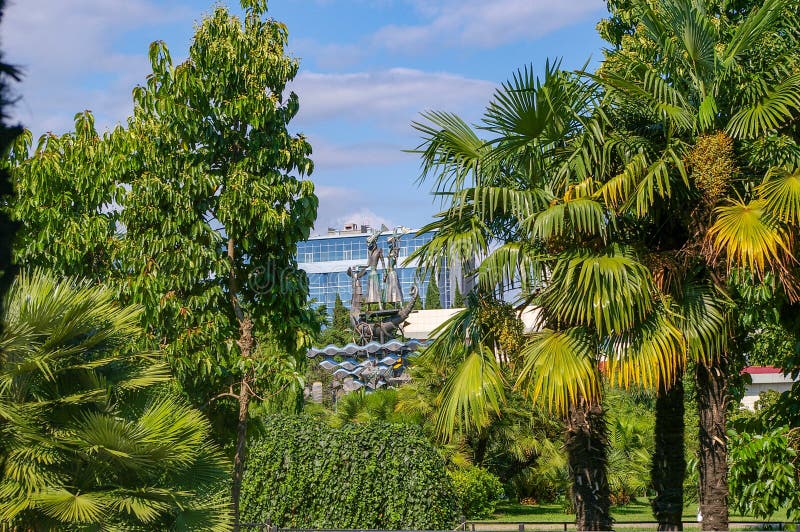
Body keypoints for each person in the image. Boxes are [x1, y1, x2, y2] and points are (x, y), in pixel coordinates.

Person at [364, 232, 385, 309]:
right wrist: (360, 268)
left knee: (377, 289)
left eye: (370, 242)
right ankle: (367, 307)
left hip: (375, 273)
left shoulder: (379, 250)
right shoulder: (369, 251)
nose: (369, 245)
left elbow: (383, 262)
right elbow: (368, 263)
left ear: (374, 242)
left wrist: (385, 272)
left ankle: (380, 305)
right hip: (370, 274)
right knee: (369, 291)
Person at [384, 230, 403, 304]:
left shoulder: (393, 254)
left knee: (395, 288)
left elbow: (397, 250)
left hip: (392, 273)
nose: (389, 246)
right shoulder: (390, 254)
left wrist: (396, 243)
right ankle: (391, 303)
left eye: (390, 243)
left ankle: (399, 303)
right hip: (390, 273)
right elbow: (388, 265)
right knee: (390, 289)